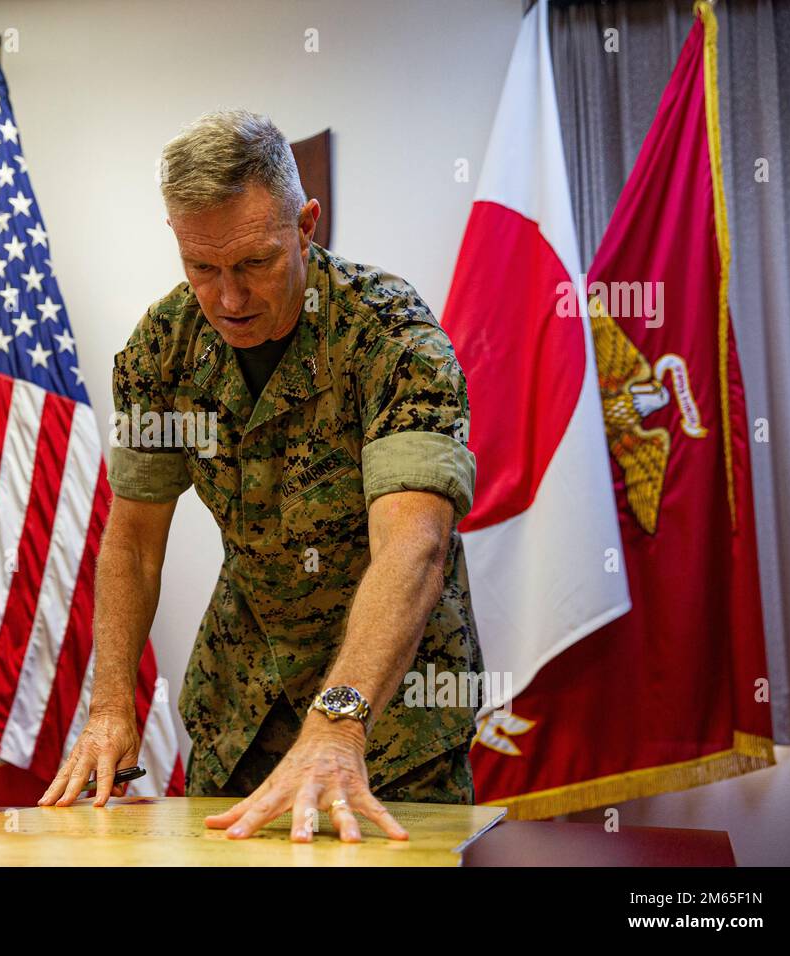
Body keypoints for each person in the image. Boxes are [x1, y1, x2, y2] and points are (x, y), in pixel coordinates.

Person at [39, 109, 483, 842]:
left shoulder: (393, 340)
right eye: (202, 269)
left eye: (254, 263)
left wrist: (339, 723)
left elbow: (414, 547)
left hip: (391, 720)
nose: (229, 300)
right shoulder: (164, 349)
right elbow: (135, 541)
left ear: (307, 224)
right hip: (238, 707)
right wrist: (111, 704)